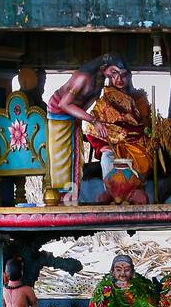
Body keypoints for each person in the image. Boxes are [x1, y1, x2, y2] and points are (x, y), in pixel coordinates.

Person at [86, 63, 171, 204]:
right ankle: (112, 191)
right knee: (107, 157)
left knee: (143, 159)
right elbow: (90, 128)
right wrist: (102, 147)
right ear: (110, 77)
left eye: (123, 75)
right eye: (114, 75)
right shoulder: (104, 101)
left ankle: (134, 190)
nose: (119, 79)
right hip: (114, 145)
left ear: (129, 76)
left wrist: (152, 138)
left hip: (138, 143)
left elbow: (147, 126)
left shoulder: (139, 99)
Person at [47, 54, 123, 205]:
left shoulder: (100, 81)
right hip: (59, 113)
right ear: (103, 68)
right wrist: (93, 121)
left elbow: (87, 104)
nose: (116, 77)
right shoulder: (83, 77)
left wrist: (93, 120)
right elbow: (64, 104)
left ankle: (73, 195)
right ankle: (63, 195)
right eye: (114, 72)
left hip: (74, 115)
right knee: (62, 156)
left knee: (77, 156)